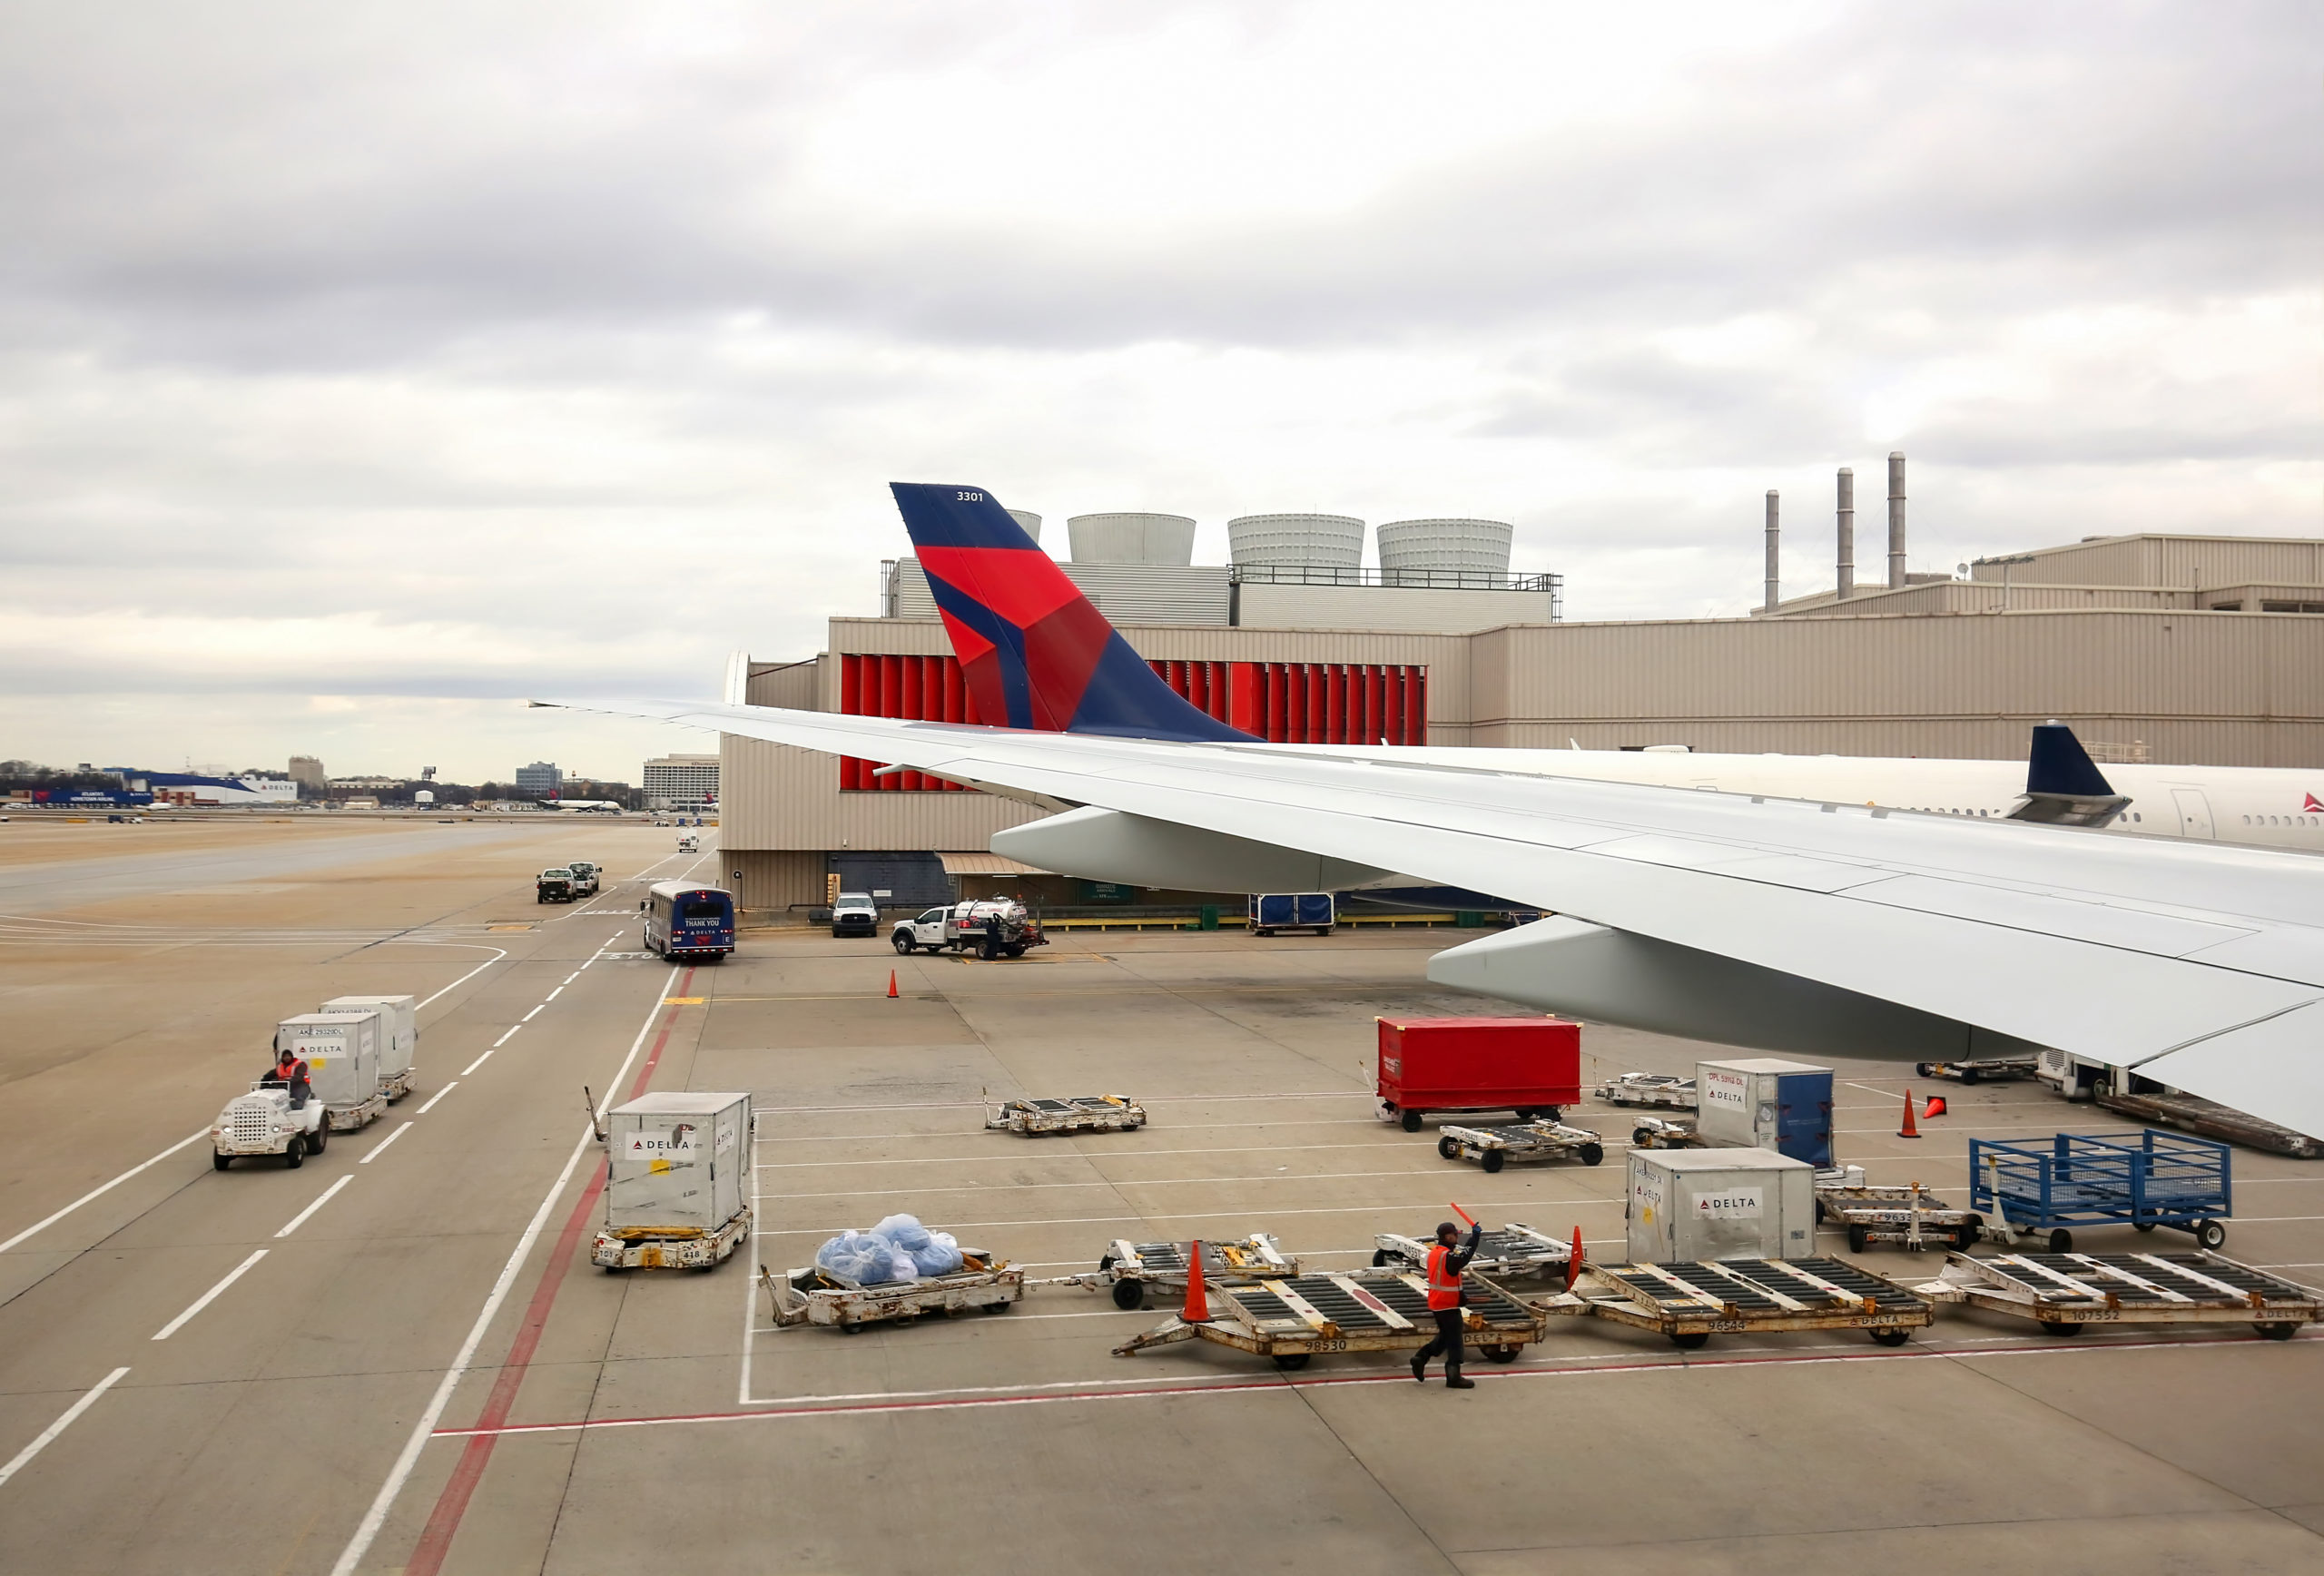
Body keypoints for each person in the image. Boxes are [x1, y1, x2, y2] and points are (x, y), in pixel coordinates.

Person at [1413, 1217, 1482, 1389]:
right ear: (1447, 1237)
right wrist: (1475, 1238)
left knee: (1445, 1337)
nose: (1457, 1238)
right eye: (1454, 1235)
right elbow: (1463, 1259)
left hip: (1438, 1303)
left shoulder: (1435, 1253)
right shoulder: (1447, 1256)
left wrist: (1462, 1296)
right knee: (1455, 1341)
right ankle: (1453, 1377)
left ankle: (1421, 1357)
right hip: (1447, 1305)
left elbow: (1448, 1278)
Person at [261, 1044, 313, 1109]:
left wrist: (286, 1082)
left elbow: (299, 1077)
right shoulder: (280, 1067)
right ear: (282, 1058)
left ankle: (297, 1109)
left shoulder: (300, 1064)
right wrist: (264, 1081)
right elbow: (269, 1075)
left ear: (292, 1057)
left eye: (288, 1056)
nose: (287, 1058)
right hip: (283, 1086)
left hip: (299, 1085)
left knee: (298, 1099)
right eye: (285, 1056)